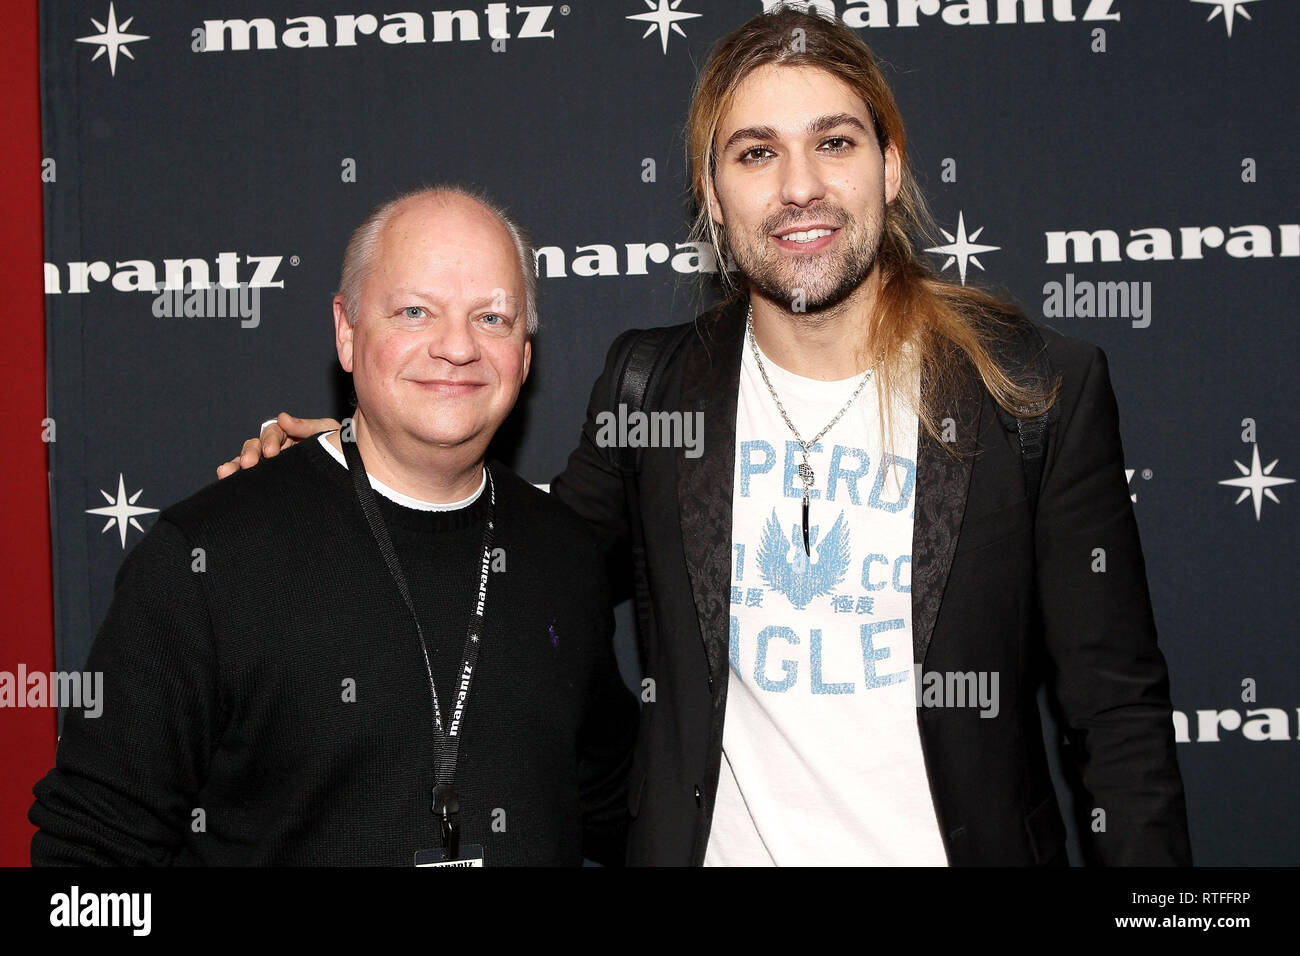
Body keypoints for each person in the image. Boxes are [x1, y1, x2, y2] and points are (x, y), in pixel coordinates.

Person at [223, 7, 1191, 866]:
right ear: (712, 195)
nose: (799, 188)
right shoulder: (653, 386)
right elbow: (519, 556)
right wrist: (368, 457)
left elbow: (1116, 719)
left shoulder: (1030, 388)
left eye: (836, 143)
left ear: (890, 168)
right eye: (756, 152)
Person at [31, 187, 637, 866]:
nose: (457, 348)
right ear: (347, 333)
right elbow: (86, 864)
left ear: (524, 354)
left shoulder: (566, 555)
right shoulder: (207, 558)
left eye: (493, 318)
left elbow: (623, 810)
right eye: (415, 312)